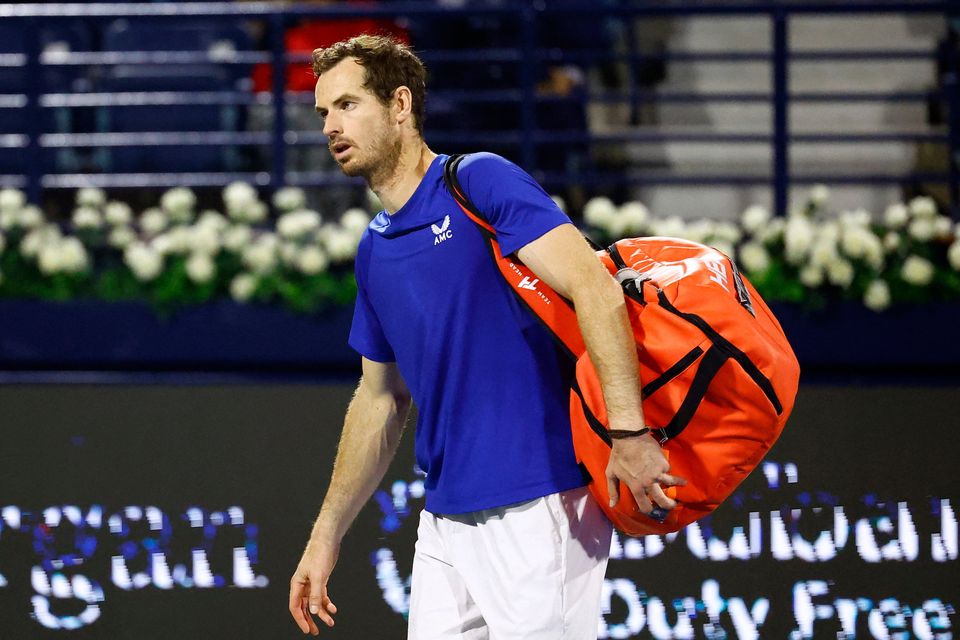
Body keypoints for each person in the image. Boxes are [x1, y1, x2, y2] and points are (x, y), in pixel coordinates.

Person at [288, 34, 685, 639]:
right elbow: (379, 399)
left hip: (540, 504)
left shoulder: (480, 181)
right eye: (323, 113)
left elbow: (596, 290)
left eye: (347, 105)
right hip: (446, 520)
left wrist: (630, 433)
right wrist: (325, 537)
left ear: (399, 104)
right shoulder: (373, 249)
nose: (330, 127)